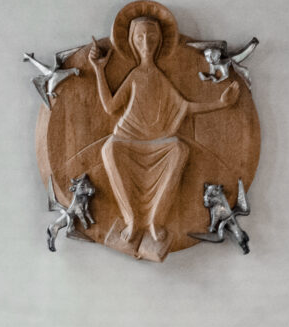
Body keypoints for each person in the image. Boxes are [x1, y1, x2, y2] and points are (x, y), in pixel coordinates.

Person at [87, 17, 239, 260]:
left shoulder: (158, 76)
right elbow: (109, 107)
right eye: (140, 37)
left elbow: (185, 107)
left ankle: (156, 221)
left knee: (179, 149)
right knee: (110, 150)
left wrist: (220, 104)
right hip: (127, 138)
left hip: (159, 141)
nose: (146, 42)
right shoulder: (136, 75)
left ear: (159, 42)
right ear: (132, 43)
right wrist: (98, 69)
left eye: (151, 37)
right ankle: (132, 221)